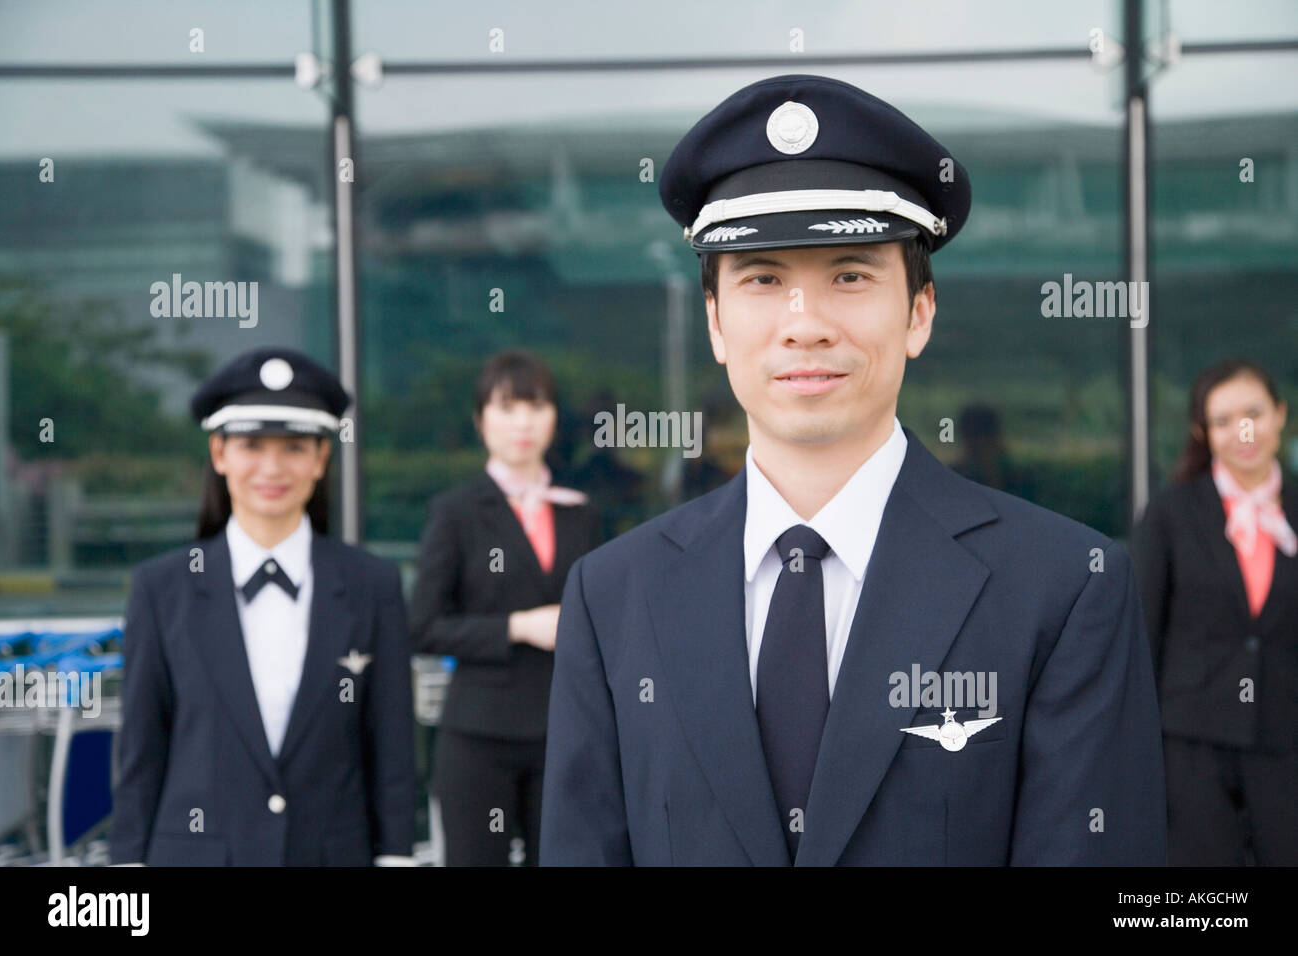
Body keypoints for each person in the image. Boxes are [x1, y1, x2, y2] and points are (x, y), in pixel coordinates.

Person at [540, 74, 1166, 866]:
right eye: (764, 278)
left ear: (919, 313)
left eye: (850, 274)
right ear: (715, 322)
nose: (806, 326)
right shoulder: (613, 596)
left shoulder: (1064, 588)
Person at [110, 347, 416, 866]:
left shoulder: (373, 584)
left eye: (295, 447)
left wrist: (397, 856)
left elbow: (391, 742)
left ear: (321, 459)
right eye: (251, 445)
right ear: (219, 453)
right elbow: (141, 749)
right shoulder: (161, 588)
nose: (272, 468)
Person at [410, 350, 600, 866]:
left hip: (564, 732)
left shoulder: (578, 511)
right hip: (479, 734)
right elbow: (423, 626)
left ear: (554, 418)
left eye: (537, 407)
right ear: (480, 421)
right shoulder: (455, 512)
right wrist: (518, 626)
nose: (523, 422)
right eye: (507, 407)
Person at [1133, 358, 1296, 865]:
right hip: (1190, 740)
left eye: (1253, 413)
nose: (1241, 431)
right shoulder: (1170, 513)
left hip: (1285, 736)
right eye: (1223, 420)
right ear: (1202, 431)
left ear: (1281, 415)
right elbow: (1143, 632)